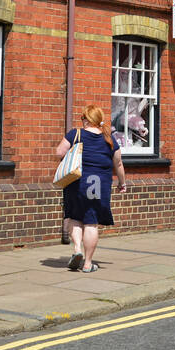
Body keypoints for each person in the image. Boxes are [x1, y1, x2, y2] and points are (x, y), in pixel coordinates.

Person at [55, 105, 126, 271]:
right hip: (99, 185)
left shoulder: (75, 134)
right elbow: (119, 163)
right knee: (91, 222)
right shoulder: (109, 139)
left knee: (74, 217)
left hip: (76, 182)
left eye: (83, 118)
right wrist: (122, 183)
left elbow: (59, 153)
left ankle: (77, 250)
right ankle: (87, 264)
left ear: (87, 119)